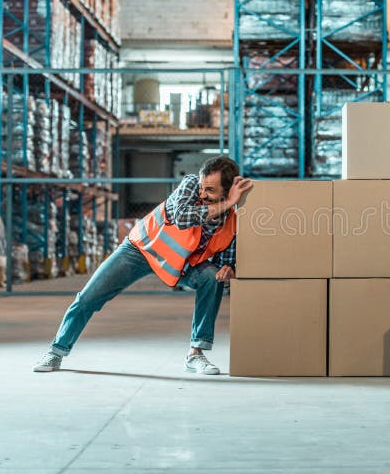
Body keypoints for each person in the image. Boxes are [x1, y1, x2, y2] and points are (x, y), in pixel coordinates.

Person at [32, 156, 253, 375]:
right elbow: (182, 217)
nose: (202, 194)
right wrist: (227, 203)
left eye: (210, 190)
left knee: (211, 277)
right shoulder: (191, 184)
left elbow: (225, 262)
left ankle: (196, 354)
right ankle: (56, 351)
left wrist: (229, 269)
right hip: (141, 249)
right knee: (89, 297)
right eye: (203, 187)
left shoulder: (232, 222)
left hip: (181, 264)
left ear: (228, 191)